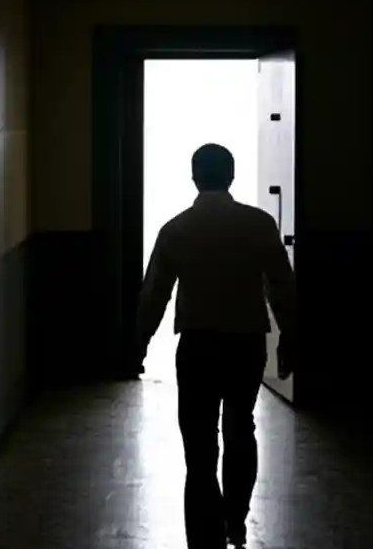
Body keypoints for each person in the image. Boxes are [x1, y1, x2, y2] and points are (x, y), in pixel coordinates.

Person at [135, 143, 298, 549]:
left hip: (198, 346)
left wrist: (136, 346)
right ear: (232, 176)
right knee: (241, 429)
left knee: (200, 446)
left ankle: (205, 537)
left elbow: (154, 294)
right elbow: (283, 288)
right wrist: (289, 341)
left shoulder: (176, 229)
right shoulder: (259, 225)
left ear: (194, 177)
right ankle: (236, 521)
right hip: (245, 345)